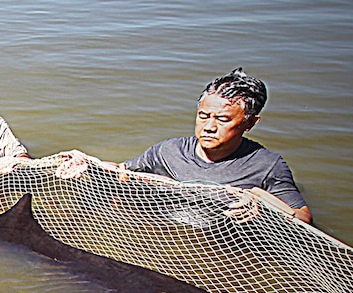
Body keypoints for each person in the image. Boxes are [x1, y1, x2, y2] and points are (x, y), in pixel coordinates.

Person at [60, 68, 312, 224]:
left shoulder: (266, 165)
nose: (209, 127)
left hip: (220, 244)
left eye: (223, 119)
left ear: (250, 123)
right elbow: (124, 173)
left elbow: (303, 217)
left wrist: (264, 204)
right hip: (161, 225)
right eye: (203, 116)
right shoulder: (169, 151)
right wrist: (88, 163)